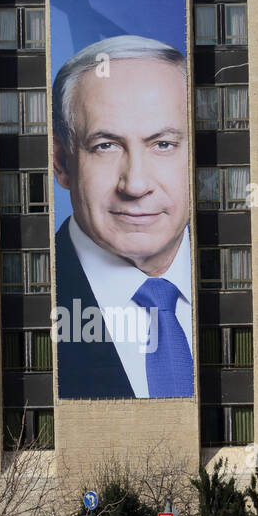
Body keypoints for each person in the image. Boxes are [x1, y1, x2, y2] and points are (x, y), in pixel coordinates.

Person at [51, 35, 192, 399]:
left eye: (163, 144)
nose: (136, 184)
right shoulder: (19, 307)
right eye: (106, 146)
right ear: (62, 163)